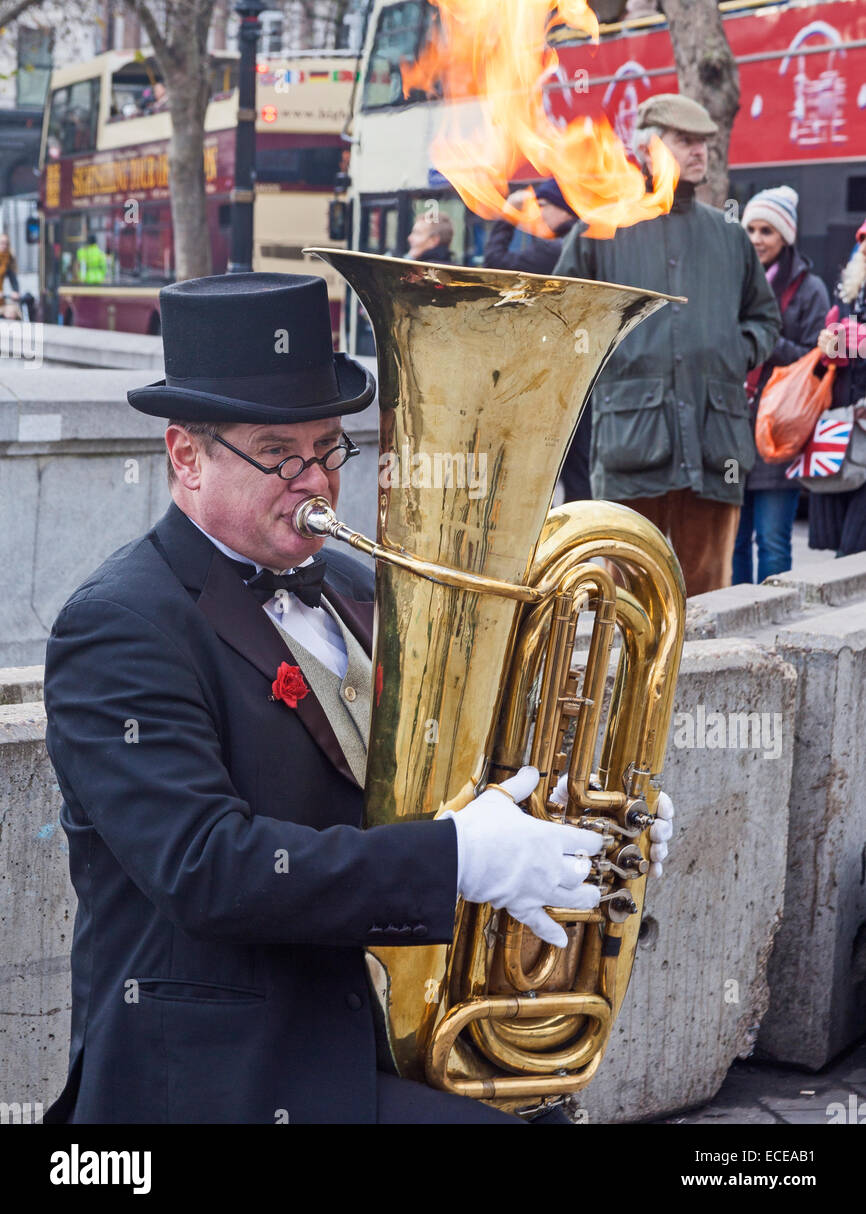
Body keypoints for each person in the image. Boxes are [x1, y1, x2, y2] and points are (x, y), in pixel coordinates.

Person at [43, 272, 675, 1125]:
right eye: (277, 455)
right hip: (226, 1077)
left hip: (374, 1032)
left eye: (331, 448)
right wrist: (457, 858)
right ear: (184, 457)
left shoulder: (353, 581)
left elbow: (447, 779)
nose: (316, 482)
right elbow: (209, 870)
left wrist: (579, 826)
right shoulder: (118, 625)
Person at [554, 93, 781, 597]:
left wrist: (735, 350)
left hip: (714, 445)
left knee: (709, 603)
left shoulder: (729, 234)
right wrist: (607, 359)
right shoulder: (601, 225)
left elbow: (765, 318)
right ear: (648, 145)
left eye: (704, 143)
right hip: (632, 444)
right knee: (625, 606)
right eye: (686, 141)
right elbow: (562, 316)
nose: (700, 151)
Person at [733, 187, 829, 583]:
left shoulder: (810, 290)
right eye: (751, 229)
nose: (756, 239)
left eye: (767, 231)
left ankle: (771, 624)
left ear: (785, 236)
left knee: (772, 541)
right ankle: (733, 622)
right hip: (733, 428)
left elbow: (817, 361)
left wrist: (763, 337)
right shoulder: (732, 281)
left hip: (781, 429)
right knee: (733, 541)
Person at [482, 180, 591, 501]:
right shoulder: (590, 241)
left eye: (543, 206)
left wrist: (508, 214)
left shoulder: (553, 249)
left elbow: (495, 261)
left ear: (564, 207)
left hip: (552, 375)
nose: (537, 213)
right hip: (585, 372)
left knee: (539, 472)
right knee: (579, 470)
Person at [808, 219, 866, 558]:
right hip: (843, 425)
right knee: (840, 539)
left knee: (854, 548)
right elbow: (829, 356)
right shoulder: (846, 296)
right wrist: (829, 347)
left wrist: (850, 341)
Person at [0, 232, 22, 320]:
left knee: (12, 314)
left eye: (6, 243)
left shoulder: (8, 258)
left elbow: (12, 278)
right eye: (2, 243)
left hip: (1, 297)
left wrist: (15, 291)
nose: (4, 246)